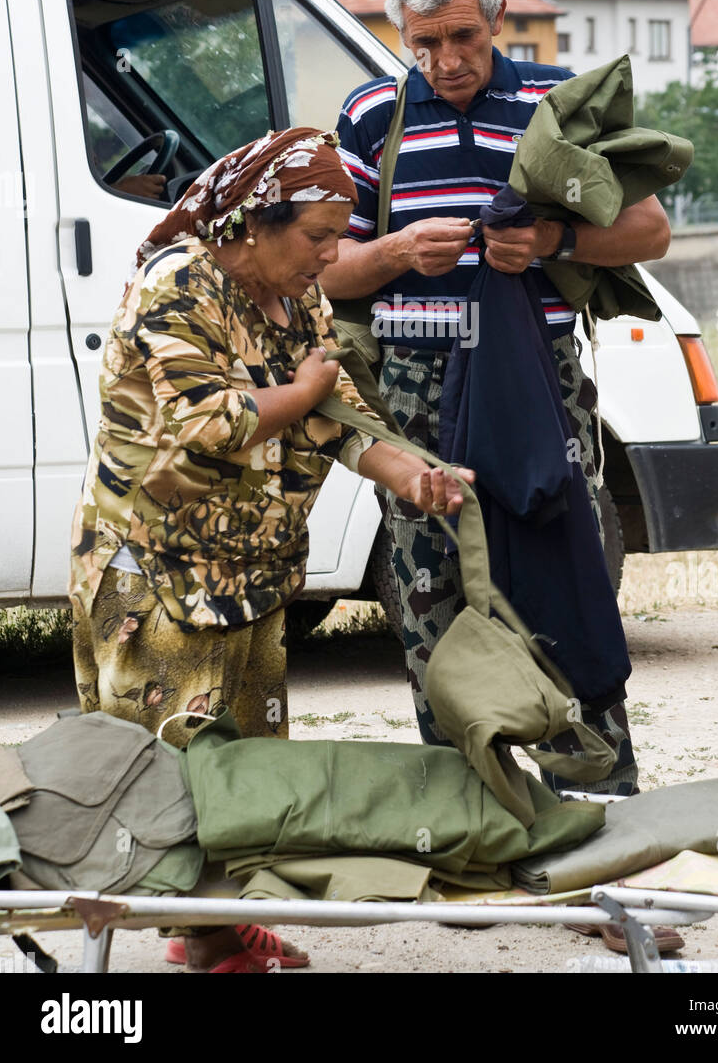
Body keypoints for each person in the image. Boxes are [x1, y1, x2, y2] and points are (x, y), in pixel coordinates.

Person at [69, 125, 472, 973]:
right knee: (170, 753)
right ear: (254, 222)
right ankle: (197, 931)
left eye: (339, 236)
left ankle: (212, 922)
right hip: (160, 570)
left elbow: (342, 413)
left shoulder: (295, 298)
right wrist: (301, 389)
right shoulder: (178, 285)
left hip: (249, 571)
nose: (332, 255)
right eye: (317, 236)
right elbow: (209, 424)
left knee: (243, 758)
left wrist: (414, 477)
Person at [322, 0, 672, 797]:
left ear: (499, 18)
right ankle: (469, 813)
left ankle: (593, 803)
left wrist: (553, 237)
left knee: (557, 568)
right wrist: (399, 249)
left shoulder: (559, 102)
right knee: (428, 589)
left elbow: (651, 231)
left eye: (462, 38)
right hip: (411, 380)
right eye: (424, 41)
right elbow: (329, 270)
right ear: (402, 31)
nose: (444, 60)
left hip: (538, 375)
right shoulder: (372, 117)